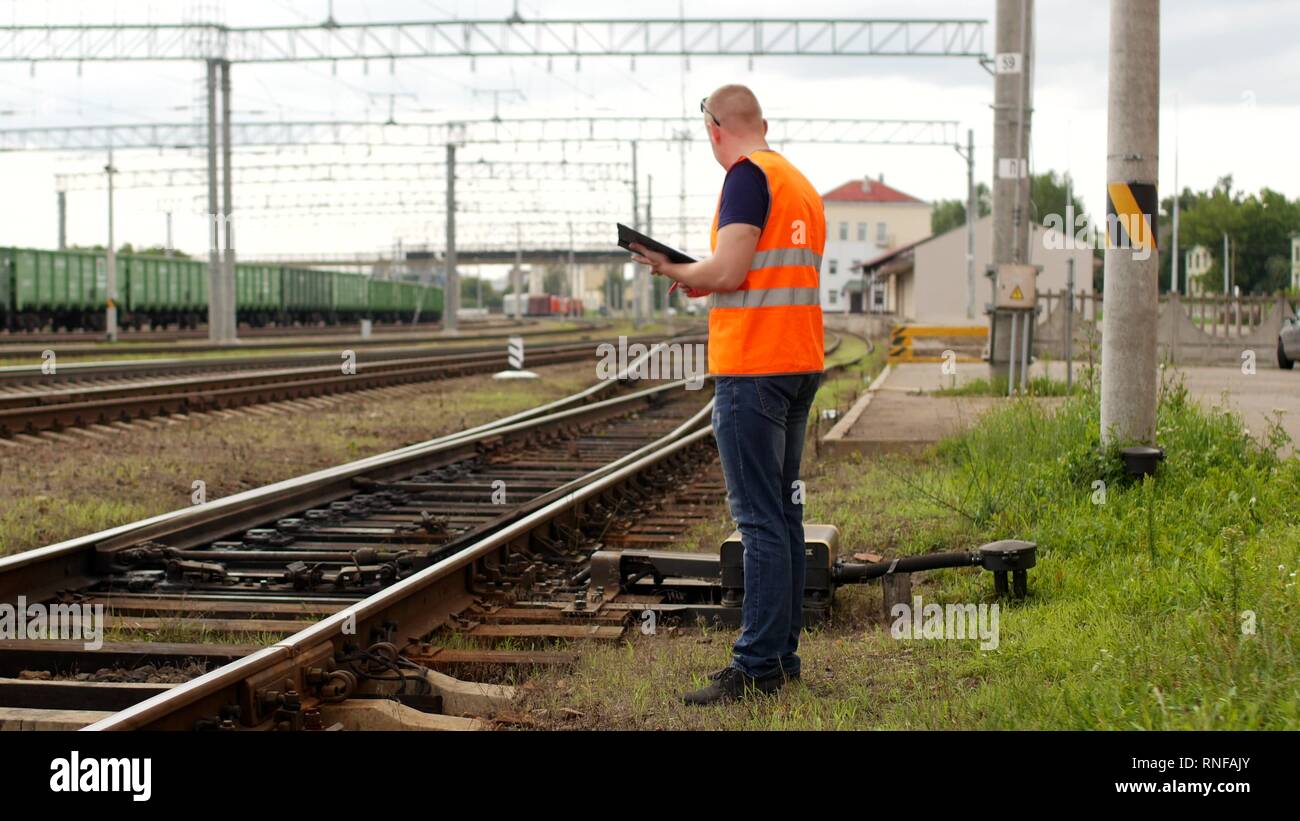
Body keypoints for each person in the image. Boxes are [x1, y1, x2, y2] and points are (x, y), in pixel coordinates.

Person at [629, 84, 826, 705]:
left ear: (715, 127)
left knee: (759, 520)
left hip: (754, 367)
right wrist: (703, 280)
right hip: (797, 364)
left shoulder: (745, 176)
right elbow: (755, 273)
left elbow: (729, 271)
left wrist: (671, 267)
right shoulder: (799, 183)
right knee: (783, 514)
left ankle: (756, 666)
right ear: (758, 122)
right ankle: (781, 656)